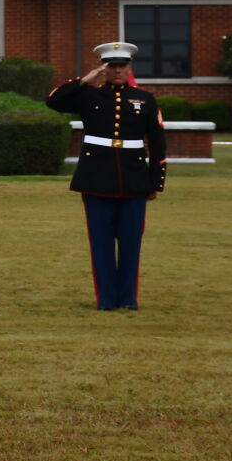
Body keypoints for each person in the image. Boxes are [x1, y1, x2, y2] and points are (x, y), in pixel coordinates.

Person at [47, 42, 167, 312]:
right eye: (111, 66)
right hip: (96, 178)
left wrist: (154, 182)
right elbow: (53, 100)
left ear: (129, 68)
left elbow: (158, 143)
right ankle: (106, 299)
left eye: (121, 66)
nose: (117, 70)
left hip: (133, 179)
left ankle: (128, 298)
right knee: (100, 244)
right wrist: (83, 80)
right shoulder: (89, 96)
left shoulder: (145, 100)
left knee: (131, 243)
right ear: (103, 68)